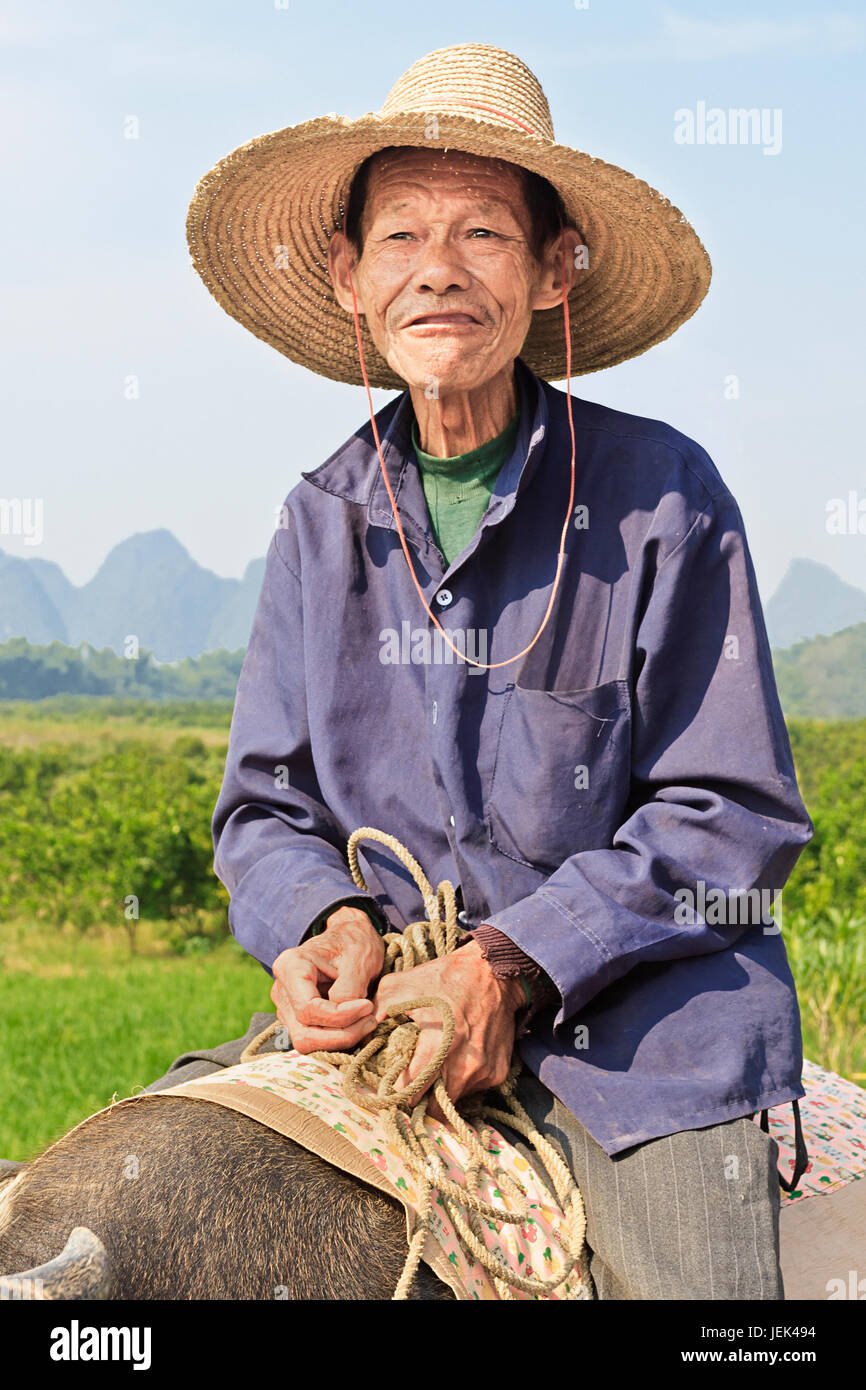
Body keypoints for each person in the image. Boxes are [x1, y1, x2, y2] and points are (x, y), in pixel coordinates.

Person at [155, 43, 814, 1300]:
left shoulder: (661, 500)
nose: (437, 270)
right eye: (399, 234)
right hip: (392, 1010)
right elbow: (263, 807)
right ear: (349, 278)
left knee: (713, 1320)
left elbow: (730, 810)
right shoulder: (320, 519)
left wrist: (509, 962)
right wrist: (324, 923)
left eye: (482, 233)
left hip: (642, 1028)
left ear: (552, 269)